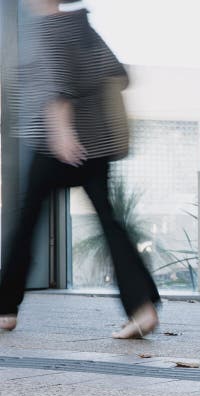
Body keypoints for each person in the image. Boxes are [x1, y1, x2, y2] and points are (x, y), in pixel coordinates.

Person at [0, 0, 160, 339]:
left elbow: (57, 81)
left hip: (55, 144)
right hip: (96, 143)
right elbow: (119, 74)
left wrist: (62, 129)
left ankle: (5, 309)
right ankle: (141, 307)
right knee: (110, 222)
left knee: (26, 222)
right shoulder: (83, 26)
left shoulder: (47, 27)